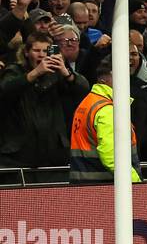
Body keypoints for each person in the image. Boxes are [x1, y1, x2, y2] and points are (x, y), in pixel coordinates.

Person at [0, 30, 89, 171]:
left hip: (53, 154)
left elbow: (83, 90)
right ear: (26, 52)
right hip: (17, 156)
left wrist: (66, 72)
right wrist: (35, 73)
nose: (41, 55)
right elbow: (5, 90)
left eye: (45, 51)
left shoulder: (58, 74)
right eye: (36, 50)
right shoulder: (14, 71)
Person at [69, 60, 141, 183]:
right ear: (104, 80)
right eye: (120, 77)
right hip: (104, 186)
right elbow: (112, 157)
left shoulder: (89, 102)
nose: (125, 81)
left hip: (83, 181)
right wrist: (135, 183)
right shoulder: (107, 110)